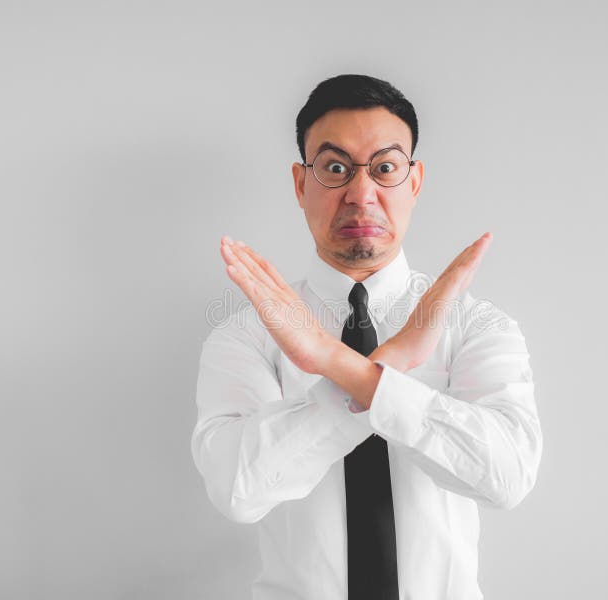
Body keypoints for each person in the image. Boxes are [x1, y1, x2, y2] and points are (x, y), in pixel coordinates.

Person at [191, 74, 543, 600]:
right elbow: (239, 491)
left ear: (414, 181)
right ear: (300, 183)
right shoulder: (244, 335)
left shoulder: (478, 325)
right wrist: (384, 370)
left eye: (384, 168)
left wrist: (339, 367)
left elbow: (506, 477)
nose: (361, 193)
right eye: (335, 168)